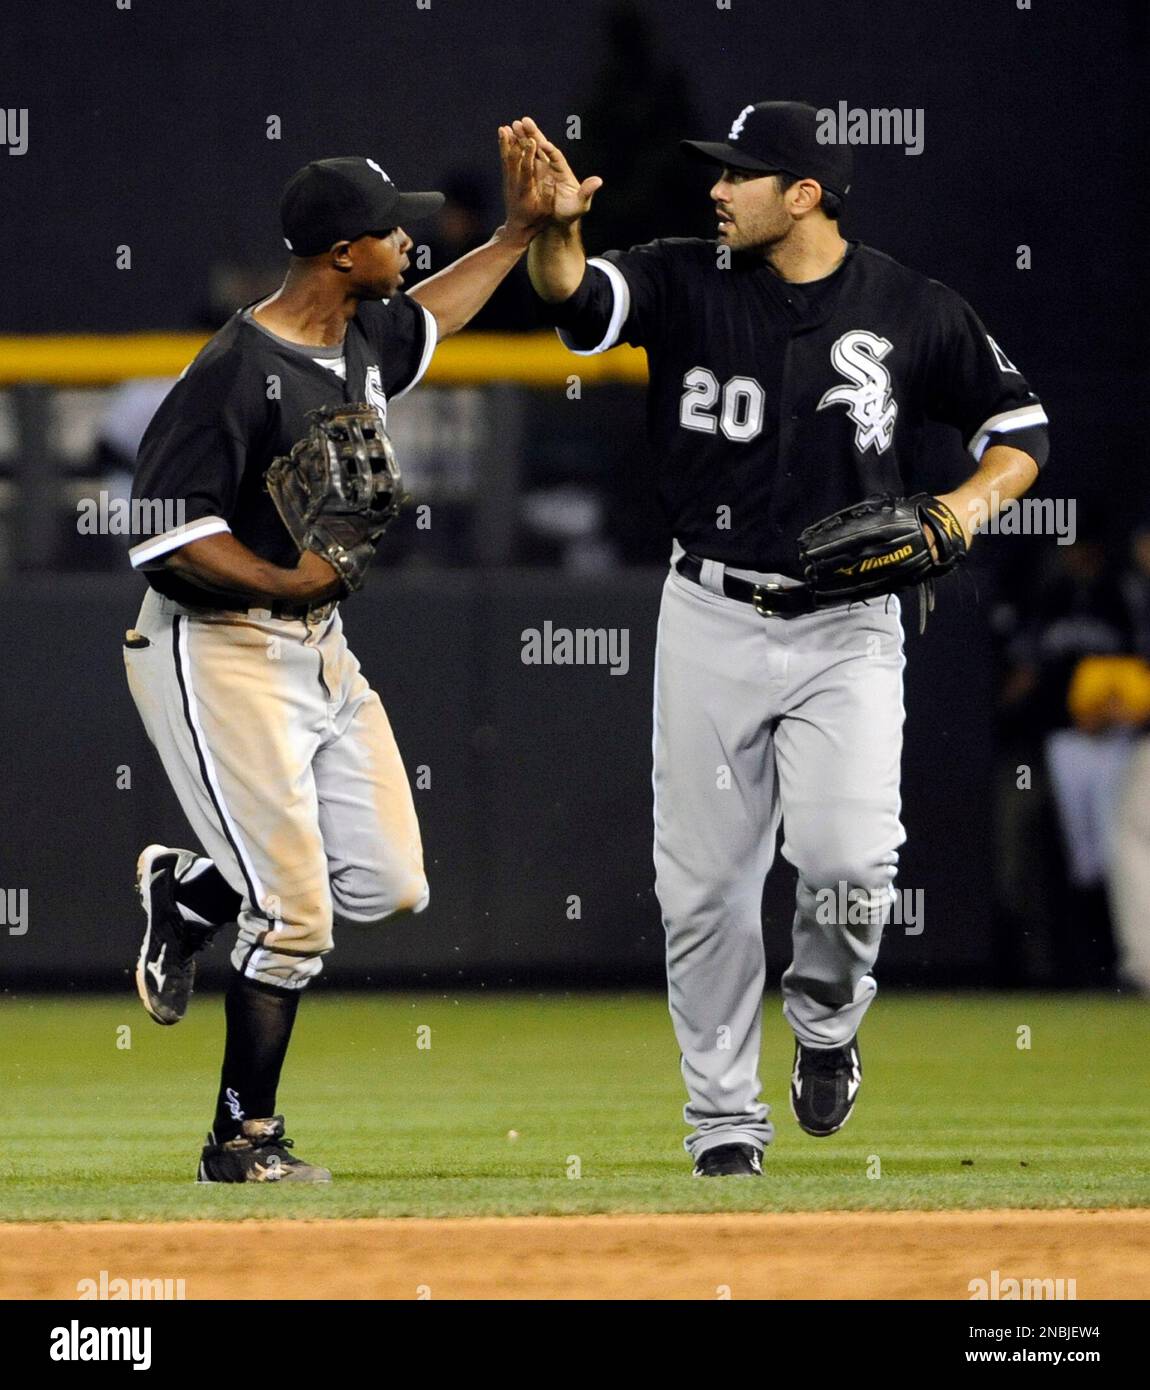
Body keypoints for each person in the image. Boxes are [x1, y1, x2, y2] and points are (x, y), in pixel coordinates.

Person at [520, 102, 1049, 1175]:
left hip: (848, 628)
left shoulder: (910, 306)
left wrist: (962, 508)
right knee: (704, 885)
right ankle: (722, 1119)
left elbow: (1020, 426)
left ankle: (825, 1022)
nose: (716, 190)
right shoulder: (681, 277)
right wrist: (550, 229)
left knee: (852, 866)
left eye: (741, 175)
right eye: (717, 174)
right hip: (709, 611)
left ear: (802, 193)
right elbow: (577, 300)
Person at [124, 130, 549, 1182]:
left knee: (391, 882)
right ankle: (242, 1139)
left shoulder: (362, 334)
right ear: (338, 253)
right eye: (389, 231)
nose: (408, 240)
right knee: (298, 911)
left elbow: (435, 315)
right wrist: (283, 581)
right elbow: (163, 536)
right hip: (213, 645)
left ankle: (192, 897)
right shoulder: (233, 370)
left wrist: (517, 234)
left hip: (320, 649)